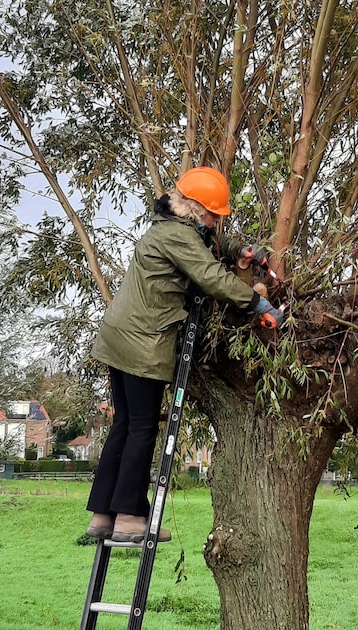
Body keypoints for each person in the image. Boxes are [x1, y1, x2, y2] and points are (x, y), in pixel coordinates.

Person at [87, 166, 285, 542]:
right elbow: (211, 276)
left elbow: (207, 243)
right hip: (143, 342)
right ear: (196, 209)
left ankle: (102, 516)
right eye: (214, 214)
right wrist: (259, 304)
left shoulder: (168, 227)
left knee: (124, 424)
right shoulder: (179, 236)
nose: (216, 221)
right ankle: (129, 518)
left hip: (117, 337)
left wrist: (238, 250)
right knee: (142, 428)